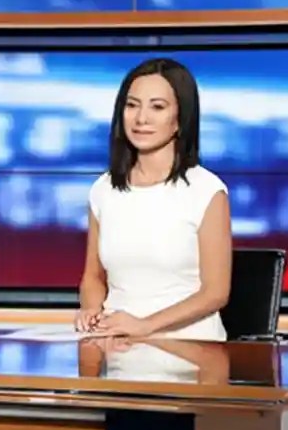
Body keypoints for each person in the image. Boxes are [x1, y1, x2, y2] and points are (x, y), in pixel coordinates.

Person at [73, 58, 232, 341]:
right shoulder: (103, 189)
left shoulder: (206, 190)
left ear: (180, 119)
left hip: (191, 350)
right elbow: (93, 277)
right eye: (132, 105)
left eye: (157, 107)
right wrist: (91, 310)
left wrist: (145, 325)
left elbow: (215, 293)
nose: (141, 118)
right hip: (117, 345)